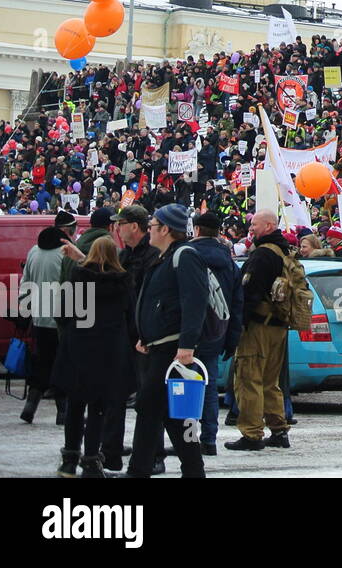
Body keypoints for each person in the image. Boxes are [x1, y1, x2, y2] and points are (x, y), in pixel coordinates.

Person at [126, 203, 207, 478]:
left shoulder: (185, 256)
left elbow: (194, 302)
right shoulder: (163, 257)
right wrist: (145, 336)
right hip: (159, 347)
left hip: (173, 351)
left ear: (165, 229)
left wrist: (187, 345)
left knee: (148, 408)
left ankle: (138, 471)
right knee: (174, 416)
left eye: (152, 225)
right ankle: (194, 470)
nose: (149, 230)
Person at [52, 235, 133, 478]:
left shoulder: (79, 279)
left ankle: (69, 460)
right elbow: (131, 318)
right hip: (108, 352)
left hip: (79, 348)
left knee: (75, 406)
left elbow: (63, 313)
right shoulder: (123, 282)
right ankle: (90, 461)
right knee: (98, 409)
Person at [227, 210, 293, 451]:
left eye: (254, 224)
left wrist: (238, 325)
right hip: (278, 325)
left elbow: (249, 293)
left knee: (249, 379)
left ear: (268, 226)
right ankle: (279, 431)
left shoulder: (263, 254)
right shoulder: (284, 251)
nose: (250, 228)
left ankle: (252, 434)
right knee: (270, 381)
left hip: (258, 325)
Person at [187, 212, 243, 456]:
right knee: (208, 386)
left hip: (188, 331)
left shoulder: (187, 255)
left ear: (197, 230)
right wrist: (231, 338)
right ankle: (209, 439)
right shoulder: (229, 262)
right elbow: (237, 302)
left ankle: (188, 438)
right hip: (217, 331)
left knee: (186, 385)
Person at [18, 224, 69, 424]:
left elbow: (25, 283)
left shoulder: (33, 252)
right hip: (60, 320)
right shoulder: (65, 254)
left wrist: (25, 308)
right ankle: (63, 413)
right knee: (62, 364)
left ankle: (30, 407)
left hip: (39, 319)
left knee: (42, 363)